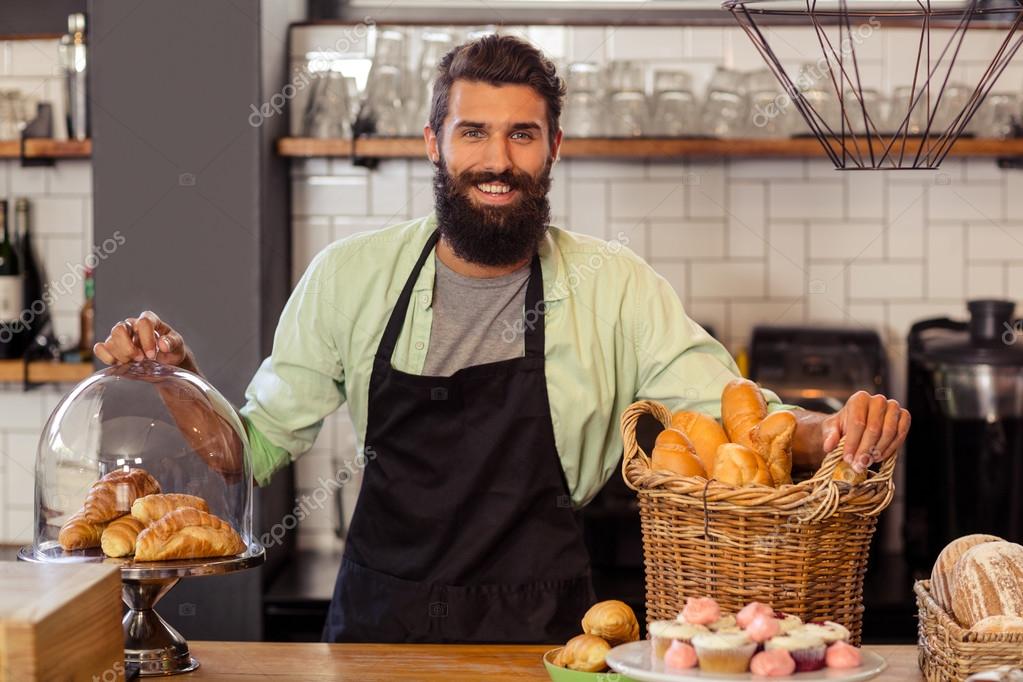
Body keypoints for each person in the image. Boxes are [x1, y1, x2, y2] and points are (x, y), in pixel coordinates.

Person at [95, 34, 910, 644]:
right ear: (433, 143)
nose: (497, 161)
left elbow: (738, 415)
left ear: (554, 147)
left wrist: (829, 429)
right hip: (381, 631)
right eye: (473, 133)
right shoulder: (350, 277)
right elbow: (254, 449)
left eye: (522, 135)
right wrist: (179, 381)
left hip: (549, 637)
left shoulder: (613, 285)